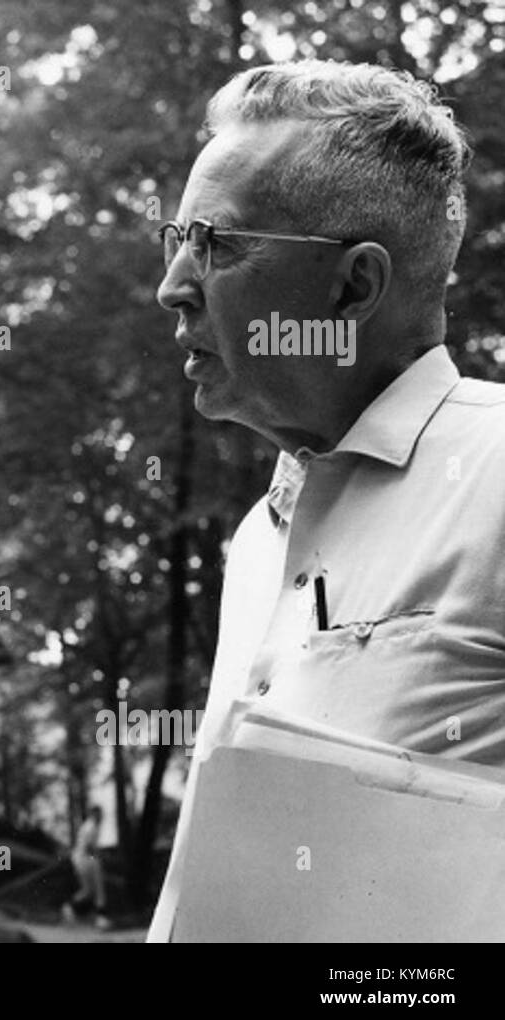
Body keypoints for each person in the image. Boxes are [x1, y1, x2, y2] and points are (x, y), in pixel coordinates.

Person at [150, 59, 502, 941]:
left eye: (217, 245)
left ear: (352, 287)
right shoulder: (256, 540)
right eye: (177, 240)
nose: (173, 286)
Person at [68, 805, 109, 928]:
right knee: (99, 889)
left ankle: (69, 909)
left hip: (80, 859)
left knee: (88, 891)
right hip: (86, 859)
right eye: (99, 814)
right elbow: (89, 848)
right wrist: (100, 858)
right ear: (94, 814)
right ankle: (101, 919)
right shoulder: (91, 827)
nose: (102, 817)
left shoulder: (90, 825)